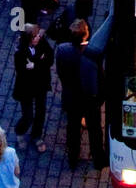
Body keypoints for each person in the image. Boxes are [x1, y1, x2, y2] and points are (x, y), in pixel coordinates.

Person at [55, 20, 107, 170]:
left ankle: (73, 157)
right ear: (86, 35)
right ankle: (98, 159)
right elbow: (100, 77)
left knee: (72, 128)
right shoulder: (94, 52)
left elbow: (60, 72)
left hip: (72, 96)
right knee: (95, 129)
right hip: (90, 99)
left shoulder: (62, 50)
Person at [13, 21, 54, 151]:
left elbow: (50, 58)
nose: (38, 37)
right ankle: (20, 131)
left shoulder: (42, 43)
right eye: (35, 36)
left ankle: (37, 135)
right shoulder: (20, 53)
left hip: (41, 84)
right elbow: (23, 71)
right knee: (28, 115)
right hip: (26, 88)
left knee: (41, 111)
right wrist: (40, 61)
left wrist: (35, 65)